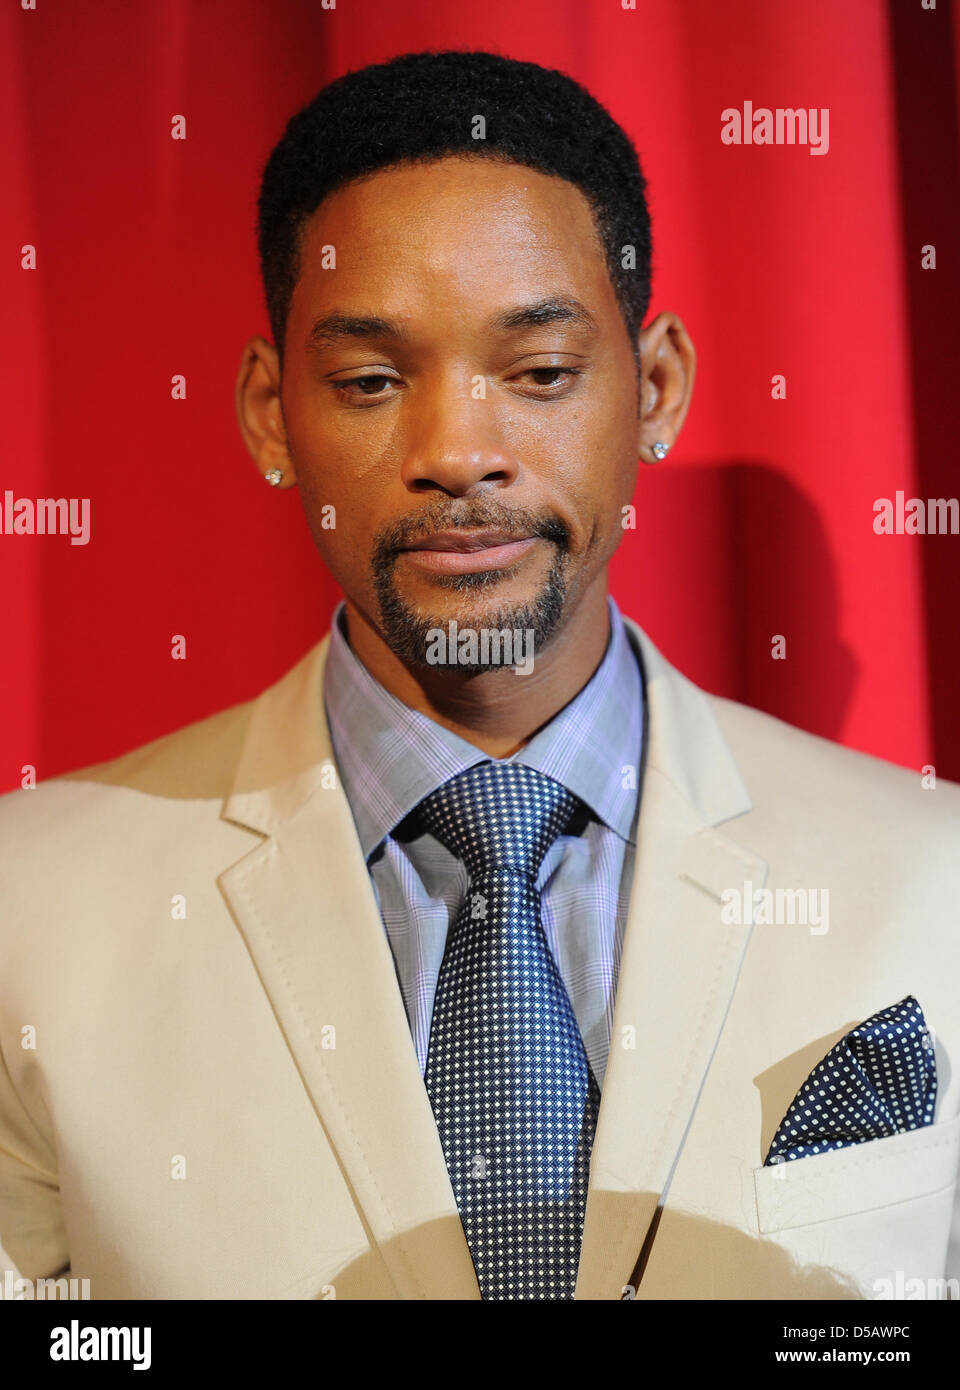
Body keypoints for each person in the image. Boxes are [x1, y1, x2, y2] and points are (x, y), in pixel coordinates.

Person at [1, 49, 958, 1303]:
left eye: (542, 372)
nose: (458, 452)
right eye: (369, 381)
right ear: (270, 415)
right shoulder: (32, 908)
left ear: (655, 386)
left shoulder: (932, 878)